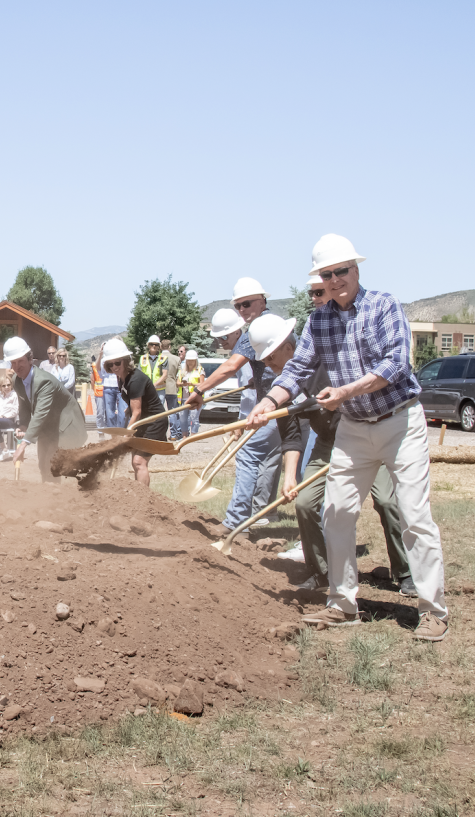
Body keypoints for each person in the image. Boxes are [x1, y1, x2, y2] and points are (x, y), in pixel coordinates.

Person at [251, 234, 449, 642]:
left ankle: (433, 611)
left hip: (399, 421)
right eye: (328, 274)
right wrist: (269, 401)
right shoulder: (320, 320)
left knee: (413, 515)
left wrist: (345, 393)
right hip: (354, 428)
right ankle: (343, 605)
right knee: (336, 513)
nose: (336, 279)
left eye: (342, 270)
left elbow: (396, 363)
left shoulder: (384, 306)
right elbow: (298, 368)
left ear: (356, 270)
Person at [252, 308, 414, 596]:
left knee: (386, 501)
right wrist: (290, 478)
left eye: (271, 358)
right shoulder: (283, 386)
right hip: (328, 443)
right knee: (304, 503)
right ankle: (322, 572)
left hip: (362, 433)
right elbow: (290, 436)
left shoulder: (328, 365)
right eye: (264, 360)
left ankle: (405, 573)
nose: (269, 365)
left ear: (289, 348)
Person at [183, 281, 286, 533]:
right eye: (238, 305)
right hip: (283, 399)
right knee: (269, 459)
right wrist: (258, 379)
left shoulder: (260, 327)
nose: (242, 309)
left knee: (248, 454)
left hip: (279, 401)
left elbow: (230, 366)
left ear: (262, 300)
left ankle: (237, 521)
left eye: (247, 303)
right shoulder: (271, 322)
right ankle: (260, 515)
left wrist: (199, 390)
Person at [5, 336, 88, 482]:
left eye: (21, 361)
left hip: (67, 426)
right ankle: (49, 500)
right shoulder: (16, 380)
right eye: (13, 362)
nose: (17, 366)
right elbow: (24, 405)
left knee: (57, 467)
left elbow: (40, 414)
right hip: (48, 426)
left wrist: (23, 444)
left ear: (30, 359)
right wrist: (23, 425)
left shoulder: (44, 381)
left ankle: (68, 501)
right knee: (43, 465)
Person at [98, 337, 162, 485]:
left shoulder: (135, 379)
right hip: (142, 421)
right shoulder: (121, 378)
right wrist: (129, 409)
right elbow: (134, 405)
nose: (114, 367)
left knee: (139, 461)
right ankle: (139, 496)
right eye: (110, 363)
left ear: (126, 360)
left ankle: (143, 498)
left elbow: (137, 412)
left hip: (153, 422)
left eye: (117, 362)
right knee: (136, 462)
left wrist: (126, 434)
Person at [175, 350, 203, 439]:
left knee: (194, 418)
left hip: (194, 398)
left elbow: (202, 384)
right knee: (183, 418)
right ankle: (184, 436)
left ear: (196, 360)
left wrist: (191, 384)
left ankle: (193, 436)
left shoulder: (200, 370)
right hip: (183, 398)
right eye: (189, 360)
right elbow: (177, 382)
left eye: (192, 360)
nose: (190, 362)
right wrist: (182, 384)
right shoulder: (182, 371)